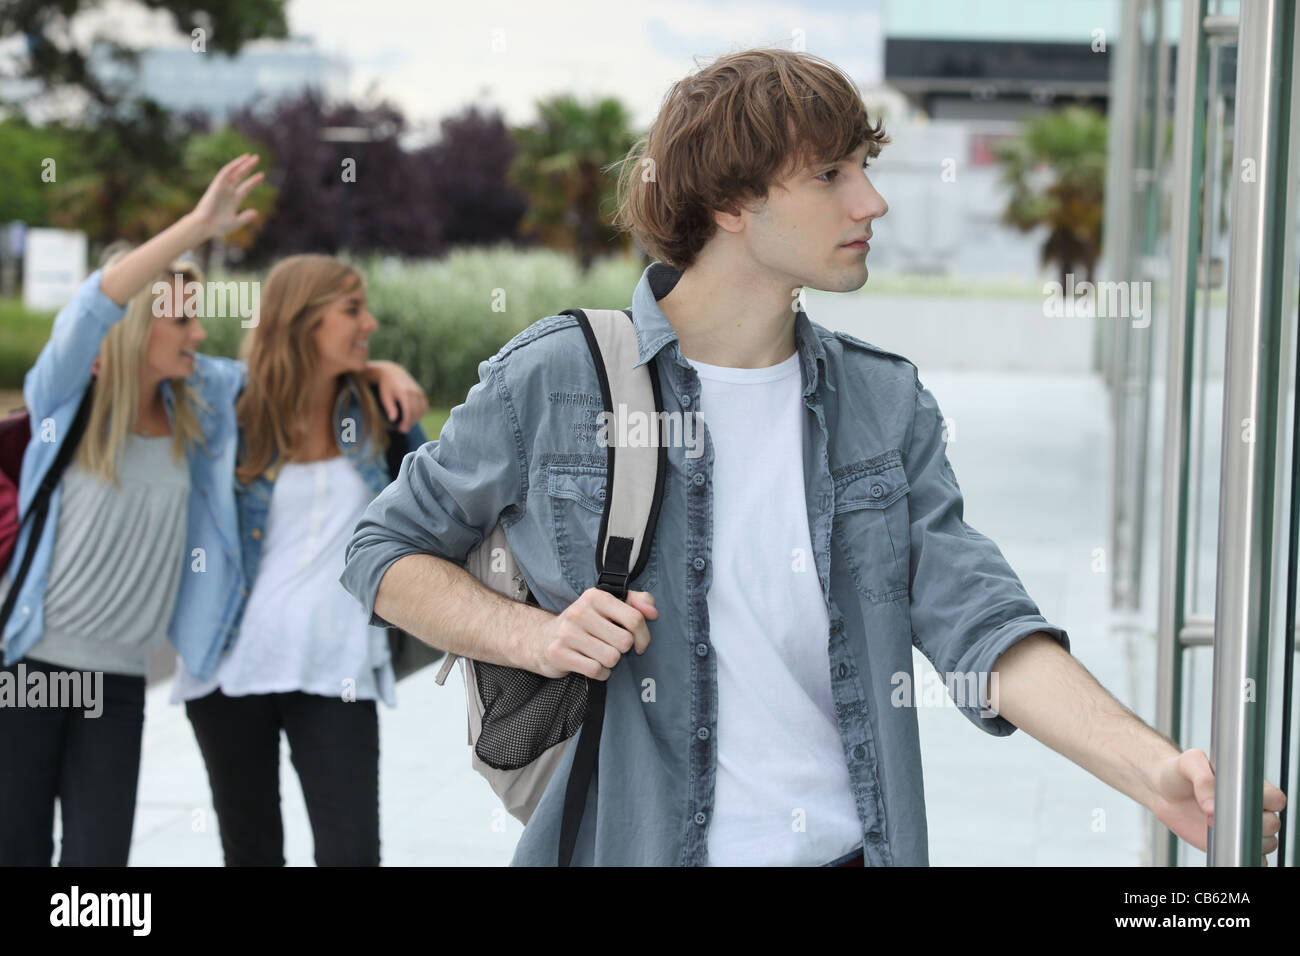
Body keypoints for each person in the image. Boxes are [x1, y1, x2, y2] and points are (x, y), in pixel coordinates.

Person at [339, 49, 1286, 866]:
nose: (871, 201)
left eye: (863, 166)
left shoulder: (882, 403)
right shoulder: (556, 381)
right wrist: (531, 637)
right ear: (731, 203)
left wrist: (1153, 772)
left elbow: (982, 625)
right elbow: (379, 551)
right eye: (831, 174)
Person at [0, 156, 422, 867]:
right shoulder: (62, 402)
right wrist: (197, 227)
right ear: (141, 327)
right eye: (183, 320)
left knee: (96, 866)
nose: (198, 334)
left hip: (118, 678)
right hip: (28, 666)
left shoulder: (202, 407)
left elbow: (287, 367)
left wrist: (377, 366)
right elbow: (92, 308)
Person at [171, 253, 427, 867]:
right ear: (304, 320)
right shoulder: (228, 412)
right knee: (252, 852)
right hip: (232, 668)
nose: (368, 323)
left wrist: (386, 373)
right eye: (351, 310)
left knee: (352, 853)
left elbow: (439, 509)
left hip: (336, 669)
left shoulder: (379, 417)